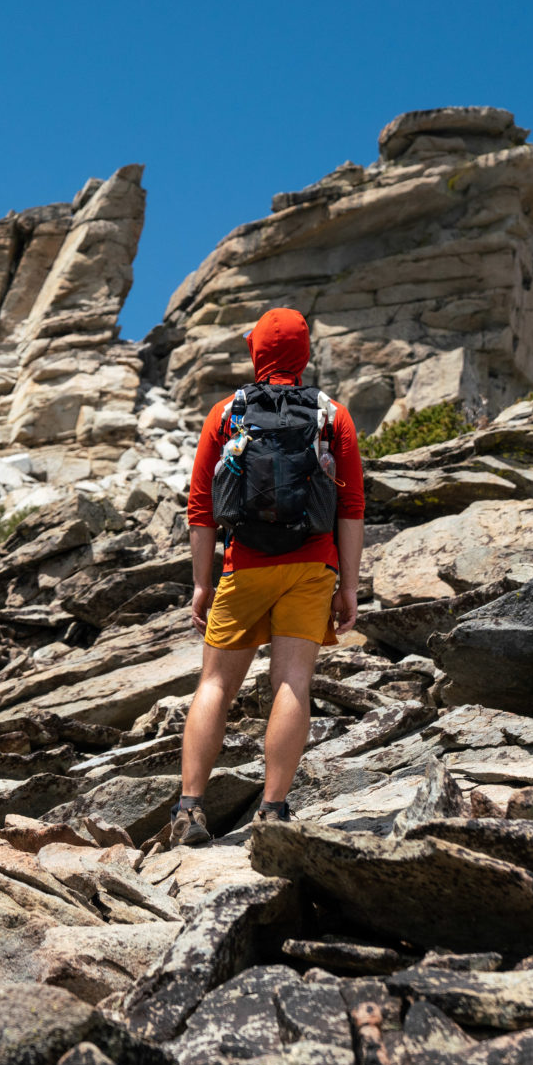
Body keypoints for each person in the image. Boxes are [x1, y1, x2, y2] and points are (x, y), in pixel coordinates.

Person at [162, 307, 365, 847]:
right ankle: (272, 813)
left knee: (214, 684)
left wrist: (202, 582)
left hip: (245, 563)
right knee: (291, 682)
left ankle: (189, 810)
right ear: (302, 355)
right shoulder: (332, 415)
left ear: (258, 353)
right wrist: (348, 583)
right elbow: (351, 505)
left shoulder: (226, 412)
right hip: (312, 562)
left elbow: (200, 506)